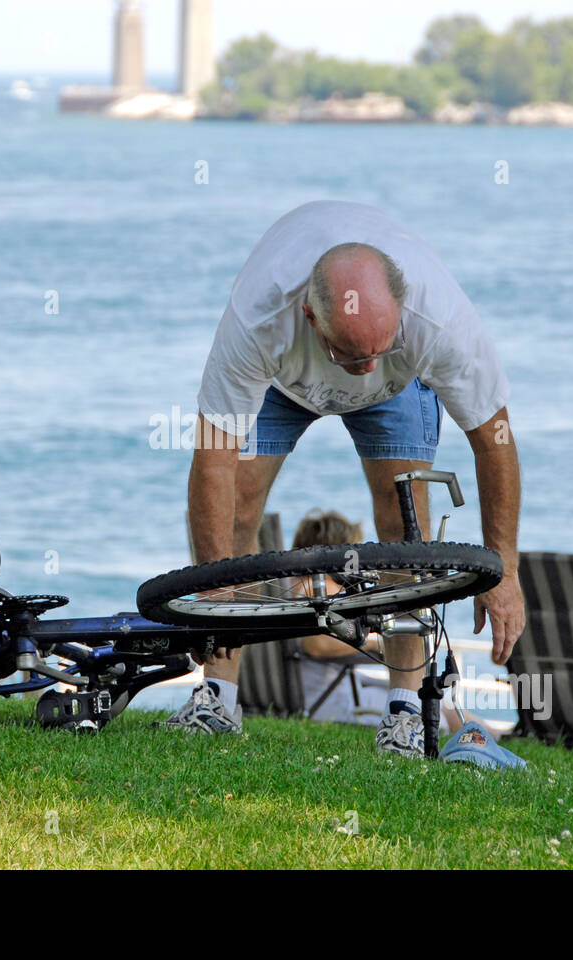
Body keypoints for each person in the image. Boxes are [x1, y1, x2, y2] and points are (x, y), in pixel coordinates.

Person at [162, 200, 524, 759]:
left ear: (401, 311)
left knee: (404, 526)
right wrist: (215, 591)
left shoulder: (436, 320)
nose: (366, 368)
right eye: (353, 356)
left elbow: (494, 441)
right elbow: (212, 460)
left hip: (400, 392)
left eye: (381, 349)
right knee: (237, 508)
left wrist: (506, 570)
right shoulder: (262, 315)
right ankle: (217, 697)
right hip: (286, 383)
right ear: (310, 316)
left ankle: (403, 716)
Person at [288, 509, 489, 736]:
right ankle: (490, 736)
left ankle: (491, 734)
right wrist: (377, 644)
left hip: (328, 686)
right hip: (327, 700)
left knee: (425, 696)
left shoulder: (289, 588)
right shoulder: (320, 589)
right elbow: (318, 645)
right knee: (430, 709)